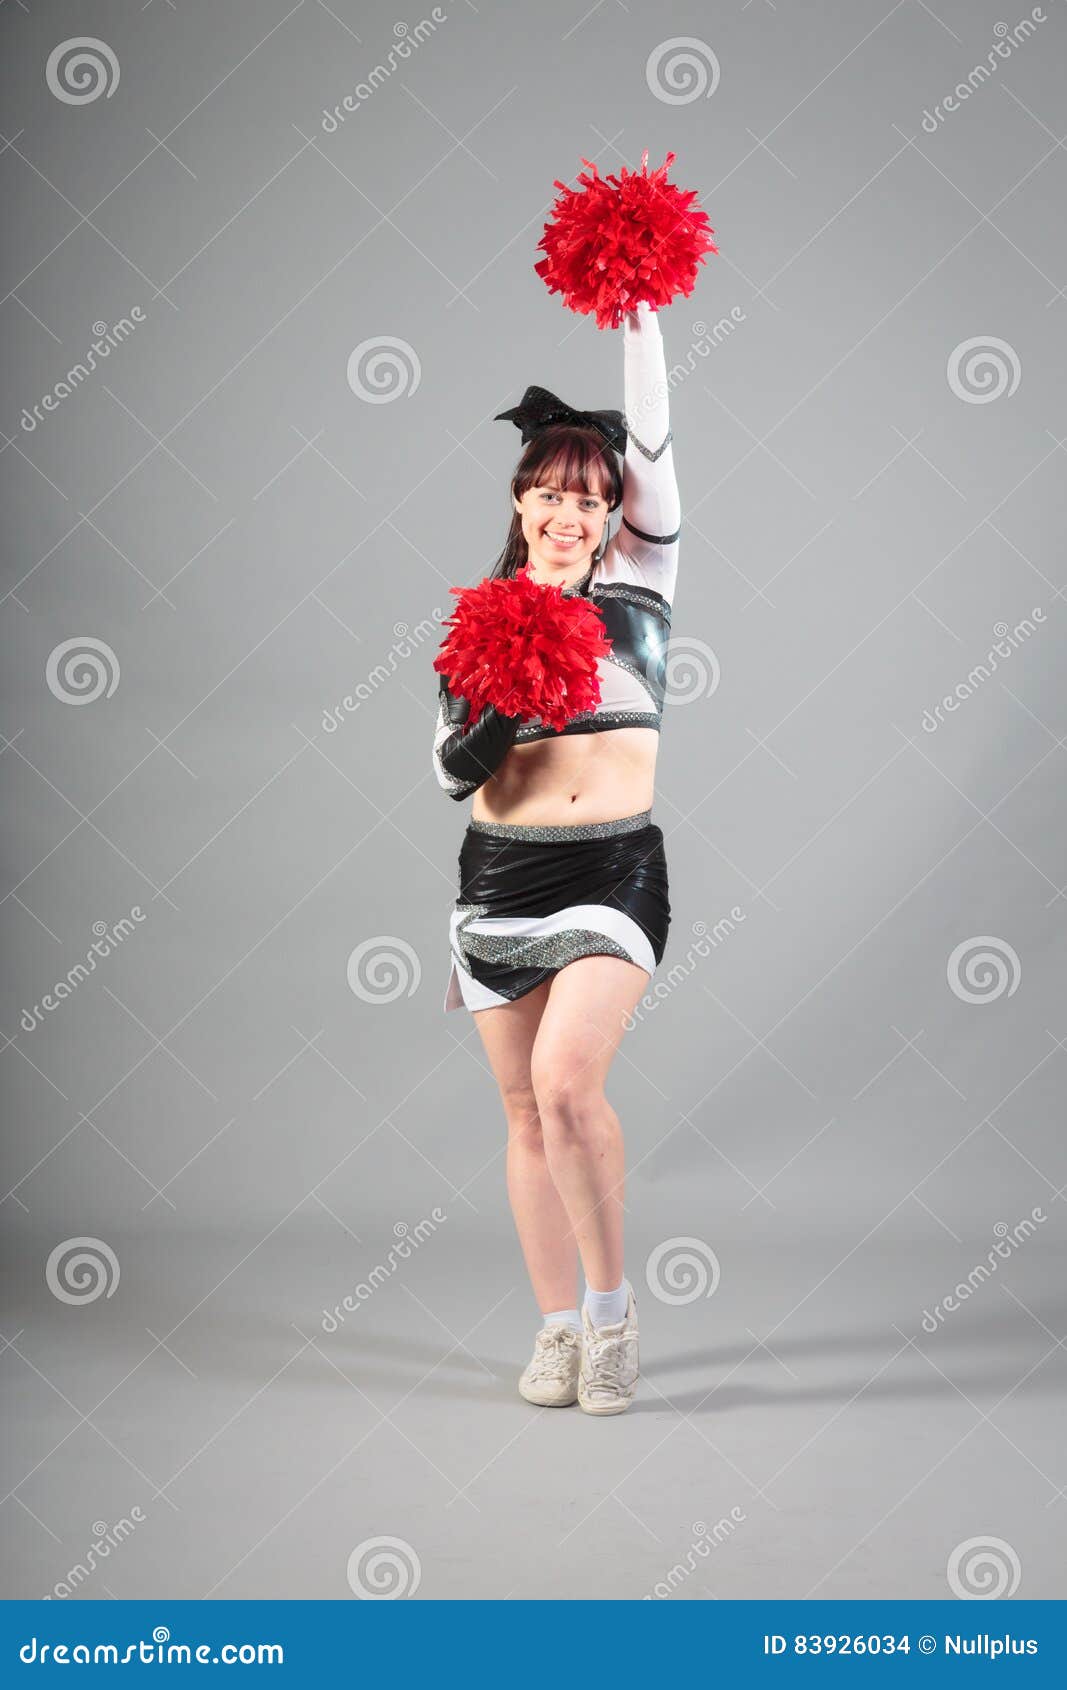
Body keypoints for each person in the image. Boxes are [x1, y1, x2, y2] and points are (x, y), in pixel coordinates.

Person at [432, 298, 680, 1414]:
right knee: (524, 1115)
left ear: (610, 512)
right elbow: (450, 771)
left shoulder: (640, 593)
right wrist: (504, 704)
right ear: (519, 502)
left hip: (613, 873)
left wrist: (638, 308)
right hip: (499, 881)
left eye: (589, 498)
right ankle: (555, 1329)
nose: (569, 514)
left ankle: (613, 1315)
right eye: (550, 494)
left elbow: (655, 444)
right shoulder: (477, 622)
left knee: (567, 1085)